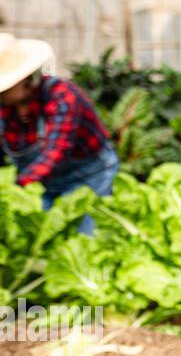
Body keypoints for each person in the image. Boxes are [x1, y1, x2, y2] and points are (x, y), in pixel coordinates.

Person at [0, 34, 118, 234]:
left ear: (25, 80)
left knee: (86, 240)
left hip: (89, 178)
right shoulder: (6, 107)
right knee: (43, 245)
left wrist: (13, 189)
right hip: (41, 182)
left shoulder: (62, 96)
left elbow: (54, 153)